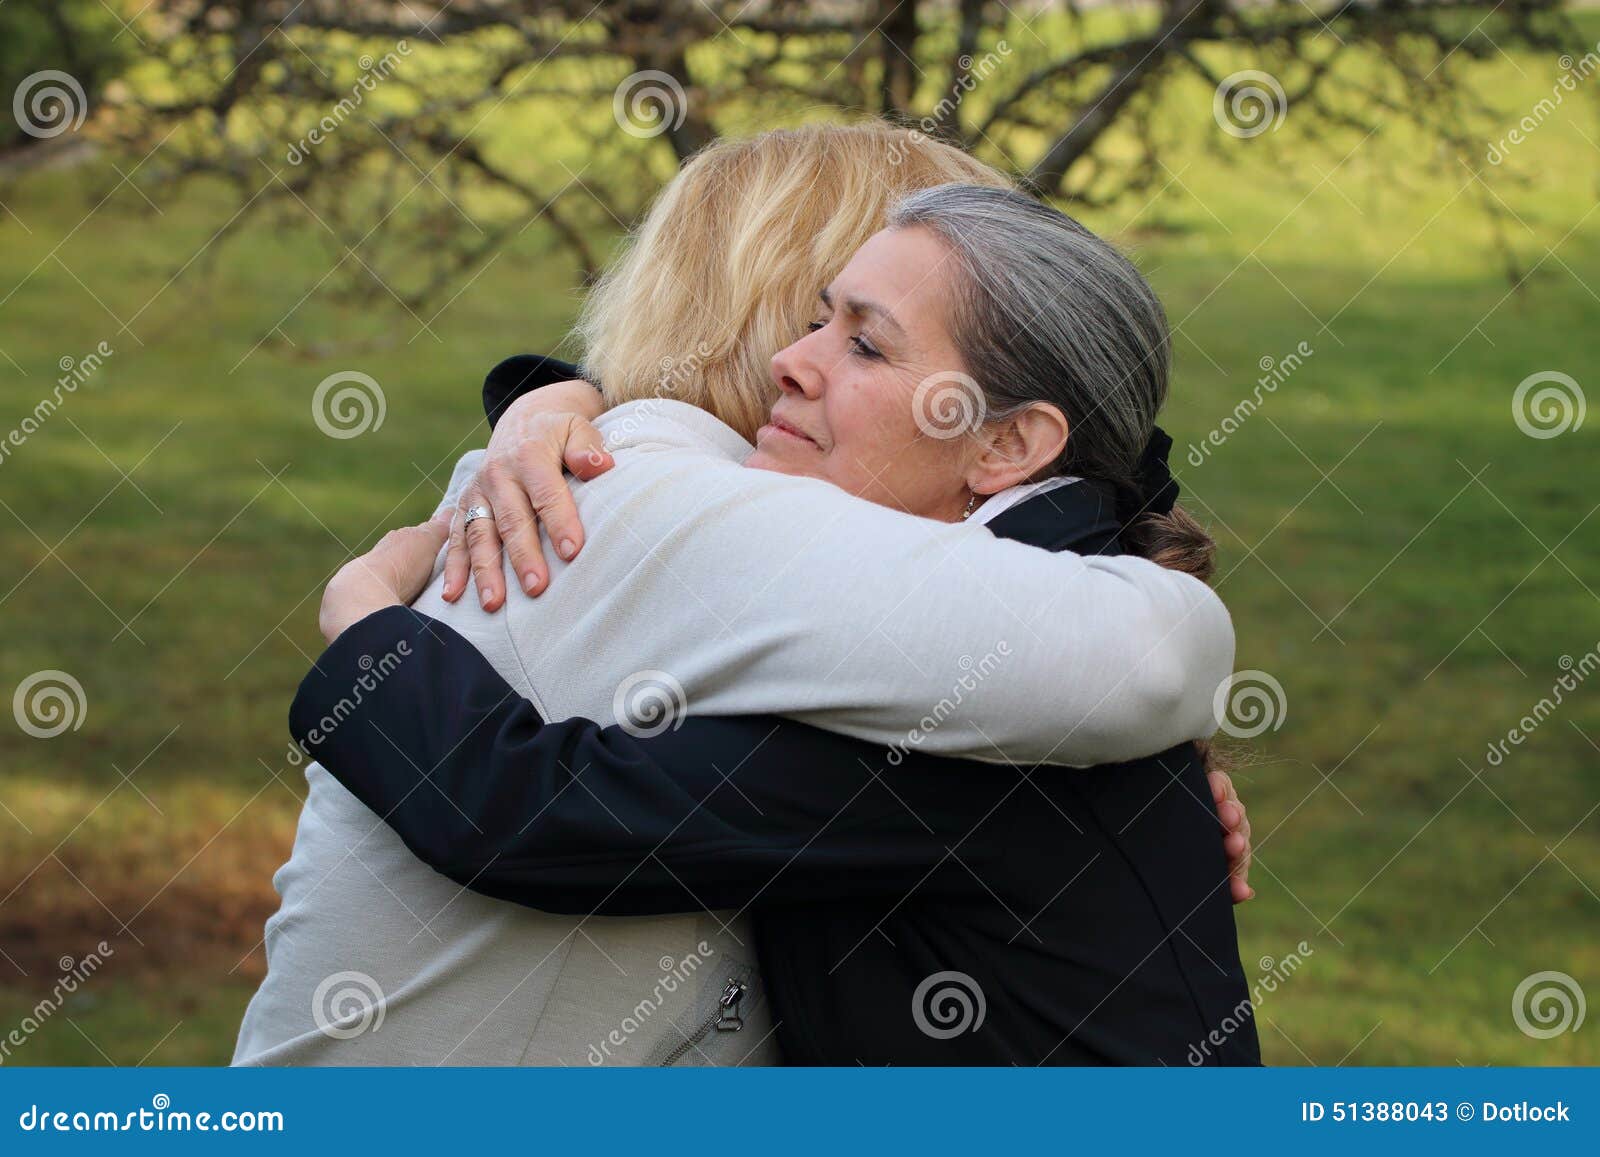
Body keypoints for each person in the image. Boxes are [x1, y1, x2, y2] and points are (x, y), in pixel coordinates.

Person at [235, 125, 1249, 1068]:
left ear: (1009, 440)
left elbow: (534, 814)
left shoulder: (960, 671)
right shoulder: (718, 516)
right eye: (815, 317)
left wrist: (366, 620)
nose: (789, 363)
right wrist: (550, 401)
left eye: (864, 340)